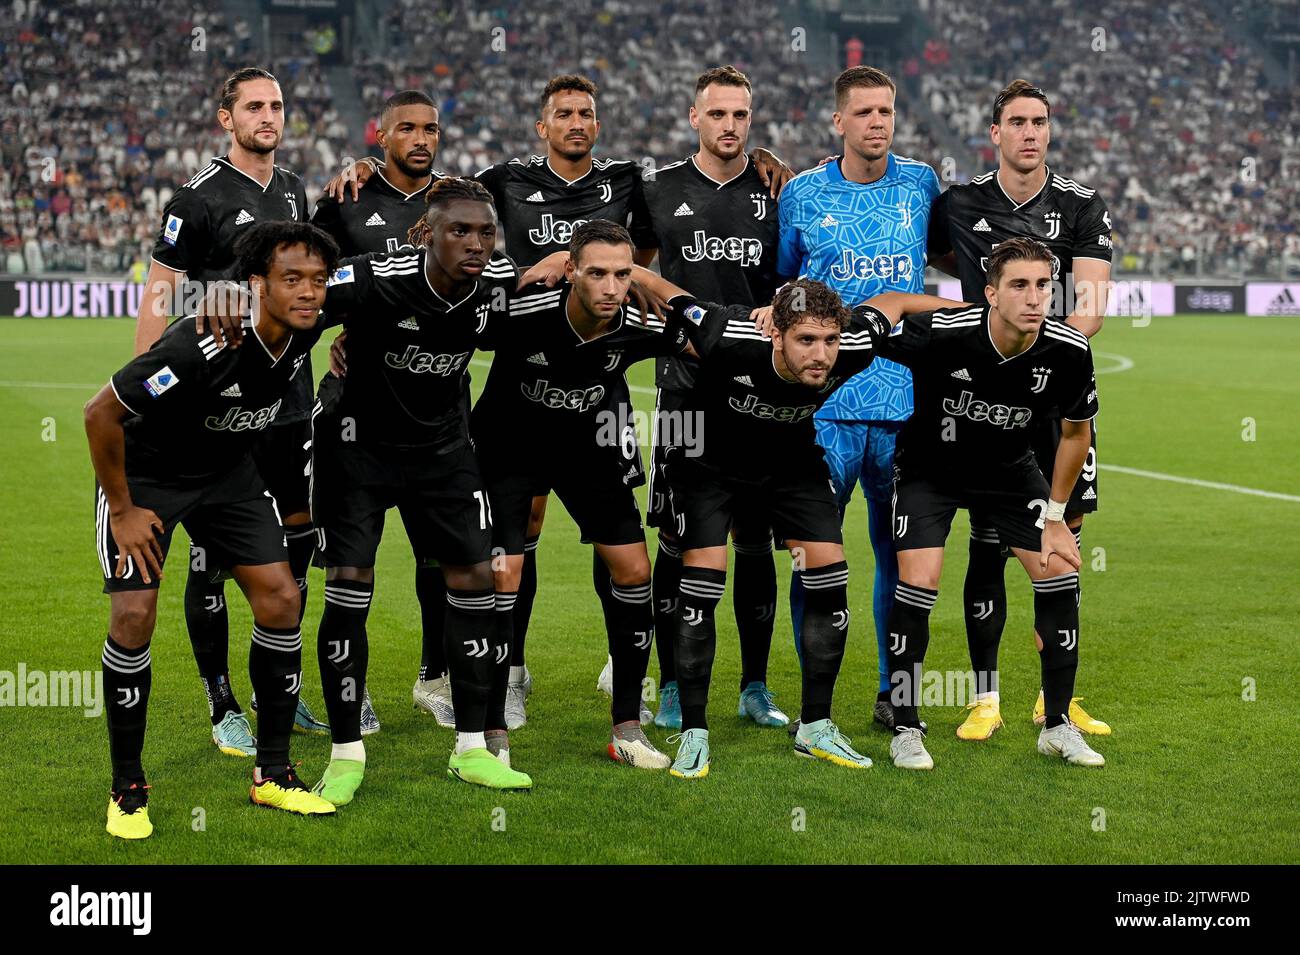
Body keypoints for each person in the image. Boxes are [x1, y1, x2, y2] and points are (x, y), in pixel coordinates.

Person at [631, 272, 956, 778]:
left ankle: (815, 727)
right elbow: (669, 295)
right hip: (710, 467)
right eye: (806, 340)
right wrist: (623, 269)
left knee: (830, 576)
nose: (821, 354)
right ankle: (694, 730)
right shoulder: (726, 334)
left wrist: (981, 311)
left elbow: (891, 301)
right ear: (775, 333)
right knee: (704, 581)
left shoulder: (852, 346)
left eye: (828, 340)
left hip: (791, 464)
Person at [86, 222, 342, 839]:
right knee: (134, 617)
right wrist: (122, 510)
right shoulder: (204, 343)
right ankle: (127, 789)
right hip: (147, 480)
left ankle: (274, 775)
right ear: (257, 285)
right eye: (293, 280)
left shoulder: (302, 328)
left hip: (226, 475)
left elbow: (379, 275)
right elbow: (101, 413)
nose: (310, 293)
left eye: (318, 281)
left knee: (281, 599)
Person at [135, 67, 329, 756]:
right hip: (220, 411)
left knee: (296, 548)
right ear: (227, 118)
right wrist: (146, 387)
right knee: (212, 563)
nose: (268, 115)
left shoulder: (295, 189)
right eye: (254, 106)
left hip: (291, 402)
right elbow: (163, 290)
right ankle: (222, 703)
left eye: (276, 105)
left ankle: (285, 682)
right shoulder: (197, 198)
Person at [861, 237, 1106, 770]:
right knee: (920, 580)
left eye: (1043, 285)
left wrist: (1058, 517)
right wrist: (867, 319)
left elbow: (1074, 434)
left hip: (1009, 472)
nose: (1034, 297)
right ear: (991, 294)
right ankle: (905, 726)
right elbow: (890, 305)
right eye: (1019, 285)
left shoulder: (1068, 349)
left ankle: (1058, 726)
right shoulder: (944, 334)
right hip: (930, 470)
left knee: (1059, 571)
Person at [928, 79, 1113, 740]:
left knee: (1062, 543)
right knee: (987, 545)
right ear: (996, 132)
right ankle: (986, 698)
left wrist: (1046, 357)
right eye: (1018, 122)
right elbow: (943, 265)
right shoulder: (959, 202)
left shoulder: (1082, 205)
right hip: (982, 403)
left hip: (1057, 399)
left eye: (1040, 121)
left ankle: (1056, 701)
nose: (1030, 132)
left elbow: (1089, 303)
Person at [471, 220, 690, 767]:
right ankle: (491, 729)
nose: (611, 288)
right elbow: (439, 322)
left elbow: (701, 324)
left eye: (622, 275)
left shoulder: (636, 321)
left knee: (634, 571)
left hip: (591, 450)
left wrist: (648, 277)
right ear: (570, 272)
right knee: (504, 574)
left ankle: (627, 730)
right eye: (597, 273)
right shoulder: (521, 310)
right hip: (509, 451)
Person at [775, 66, 940, 732]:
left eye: (887, 111)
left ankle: (891, 693)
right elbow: (783, 287)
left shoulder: (923, 184)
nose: (878, 122)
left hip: (905, 404)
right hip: (824, 409)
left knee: (899, 556)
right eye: (864, 112)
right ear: (837, 121)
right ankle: (815, 697)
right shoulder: (802, 193)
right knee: (812, 550)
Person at [634, 65, 786, 731]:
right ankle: (673, 684)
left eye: (740, 115)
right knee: (678, 539)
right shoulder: (658, 191)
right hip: (687, 394)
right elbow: (632, 272)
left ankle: (755, 685)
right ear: (694, 117)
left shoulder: (776, 190)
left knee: (755, 541)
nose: (730, 125)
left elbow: (791, 280)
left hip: (760, 395)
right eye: (717, 114)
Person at [312, 89, 455, 729]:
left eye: (430, 129)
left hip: (437, 417)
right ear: (380, 134)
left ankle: (435, 677)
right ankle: (350, 689)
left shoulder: (458, 201)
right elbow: (306, 284)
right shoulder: (347, 199)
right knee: (350, 569)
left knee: (442, 562)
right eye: (407, 129)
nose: (420, 139)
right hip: (356, 414)